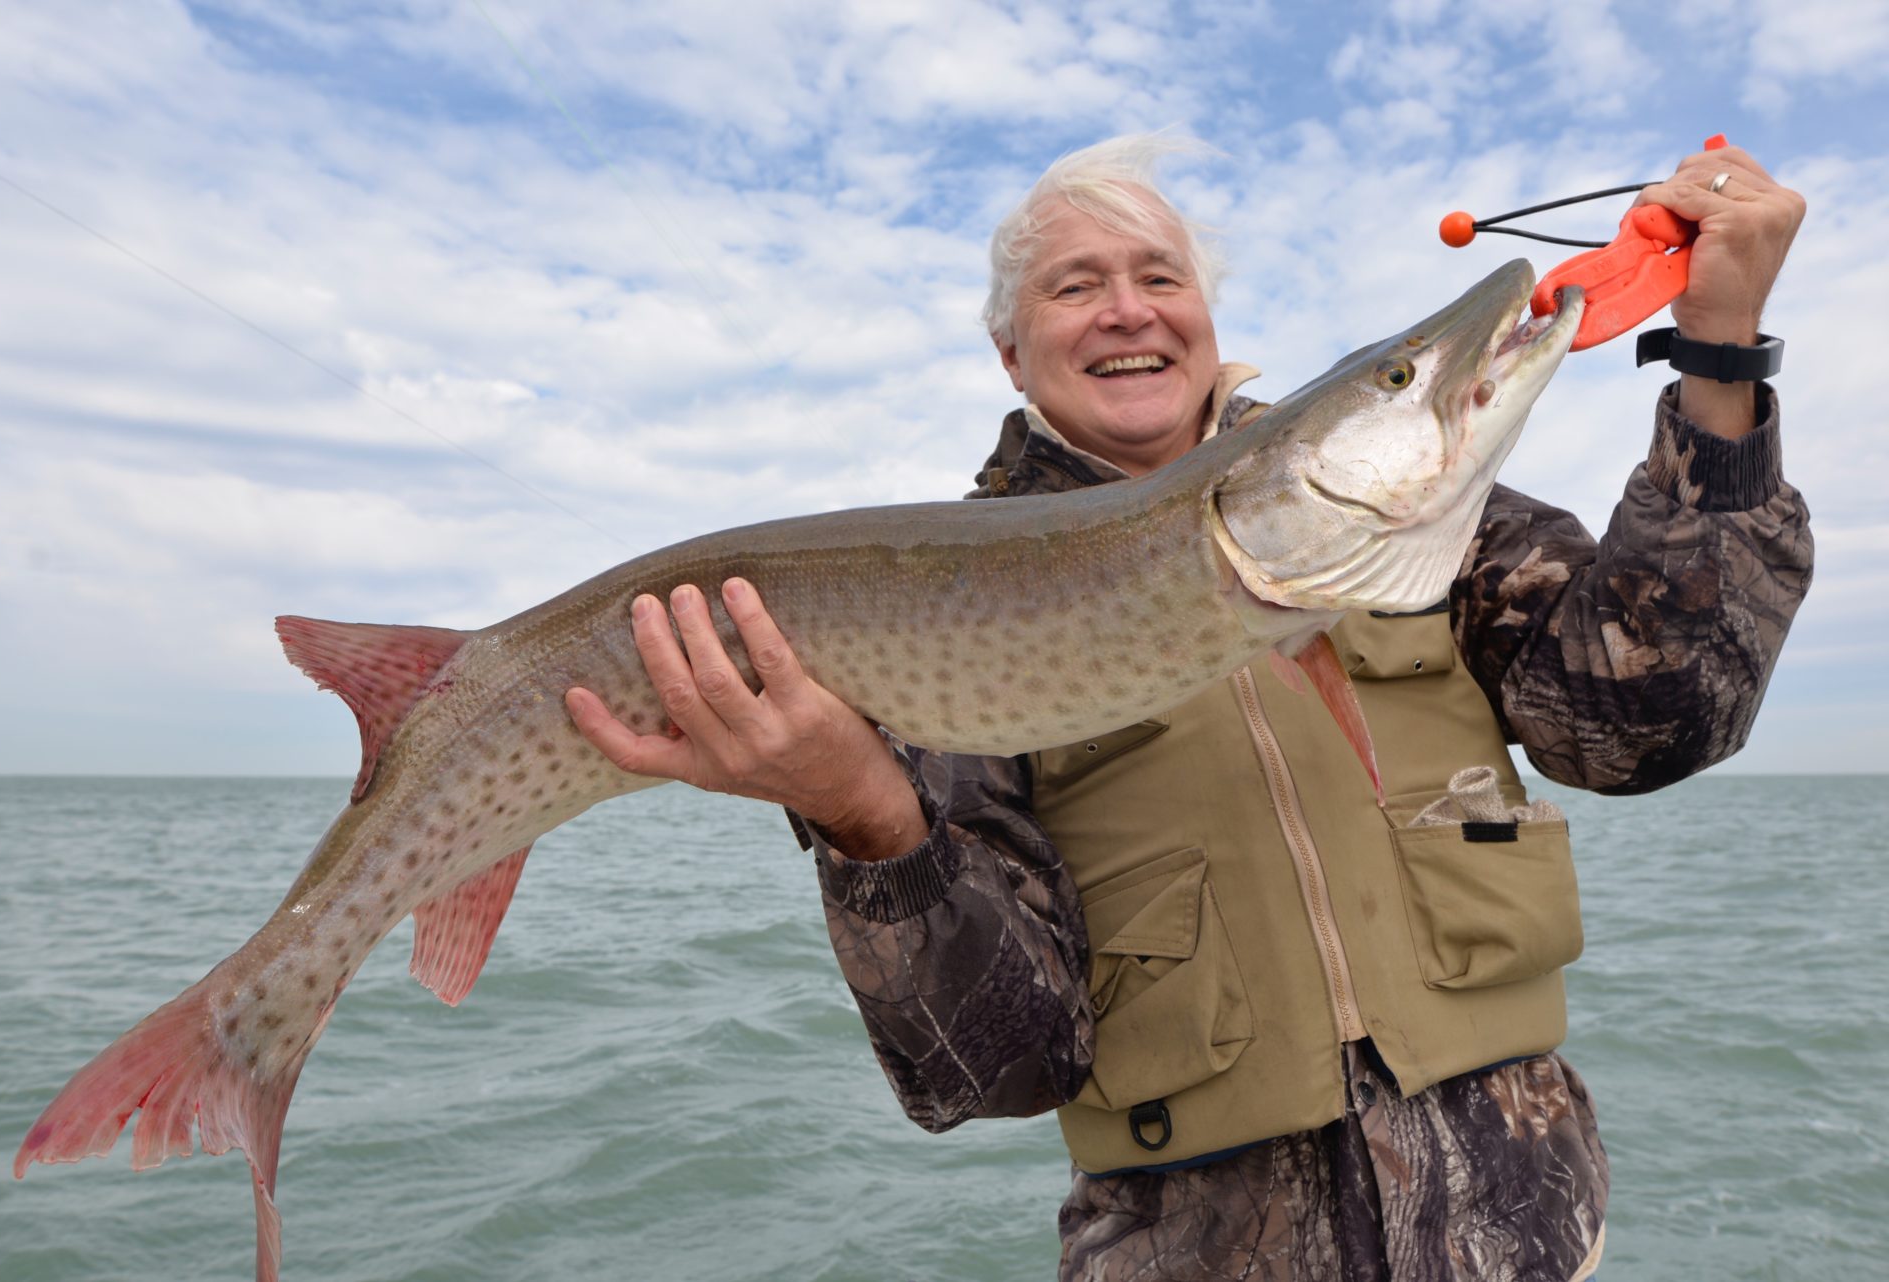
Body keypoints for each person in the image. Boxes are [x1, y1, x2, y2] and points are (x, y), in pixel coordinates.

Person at [564, 135, 1811, 1280]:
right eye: (1074, 285)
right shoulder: (934, 609)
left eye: (1159, 275)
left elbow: (1652, 720)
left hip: (1524, 1236)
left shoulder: (1421, 501)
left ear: (1208, 320)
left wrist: (1718, 368)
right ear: (1012, 351)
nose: (1126, 309)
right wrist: (863, 815)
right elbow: (988, 1063)